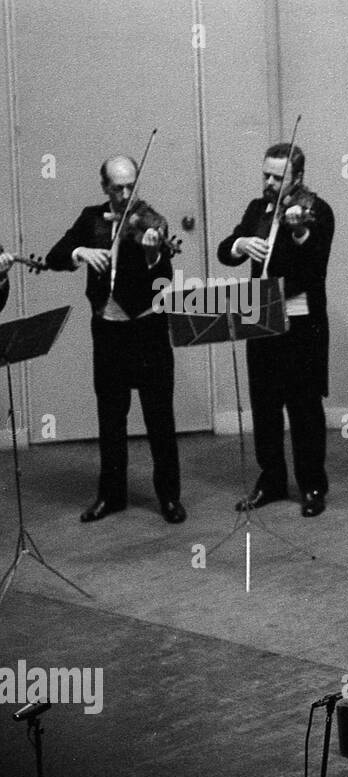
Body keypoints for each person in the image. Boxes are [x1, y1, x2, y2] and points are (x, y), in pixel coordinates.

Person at [46, 156, 185, 524]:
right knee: (110, 417)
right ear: (104, 187)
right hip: (108, 332)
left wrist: (154, 251)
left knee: (159, 418)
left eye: (131, 187)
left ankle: (169, 497)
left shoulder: (151, 221)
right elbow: (55, 255)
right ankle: (112, 496)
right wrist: (81, 252)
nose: (126, 194)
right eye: (118, 188)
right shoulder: (91, 218)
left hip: (147, 331)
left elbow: (164, 281)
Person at [217, 143, 334, 517]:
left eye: (277, 177)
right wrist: (240, 244)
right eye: (265, 175)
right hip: (259, 317)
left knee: (304, 409)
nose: (268, 182)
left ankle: (312, 485)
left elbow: (314, 266)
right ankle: (270, 480)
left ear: (297, 177)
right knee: (264, 406)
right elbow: (225, 250)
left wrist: (299, 231)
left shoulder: (318, 211)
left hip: (301, 322)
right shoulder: (257, 209)